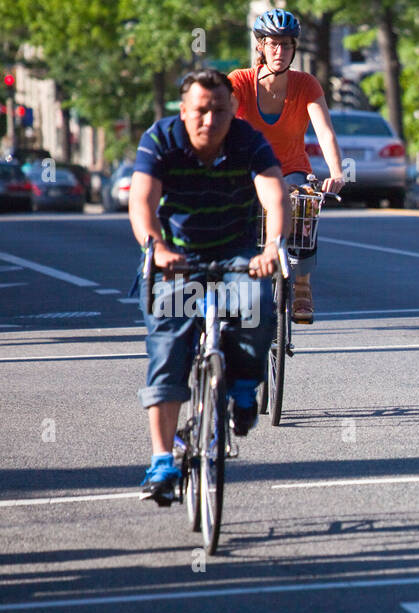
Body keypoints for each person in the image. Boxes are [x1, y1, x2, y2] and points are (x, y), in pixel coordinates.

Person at [129, 69, 289, 505]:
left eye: (220, 109)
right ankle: (162, 460)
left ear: (232, 110)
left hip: (238, 254)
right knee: (169, 342)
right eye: (201, 110)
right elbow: (142, 201)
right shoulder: (160, 139)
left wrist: (272, 247)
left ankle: (242, 388)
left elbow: (274, 195)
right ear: (184, 111)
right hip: (179, 257)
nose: (210, 119)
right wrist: (156, 247)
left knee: (257, 305)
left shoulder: (246, 139)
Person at [229, 8, 345, 324]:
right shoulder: (239, 81)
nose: (280, 51)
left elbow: (324, 131)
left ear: (295, 48)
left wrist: (336, 172)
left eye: (287, 45)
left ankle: (303, 288)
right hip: (247, 170)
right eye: (273, 44)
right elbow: (222, 121)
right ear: (261, 47)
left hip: (291, 169)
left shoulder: (306, 84)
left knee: (306, 203)